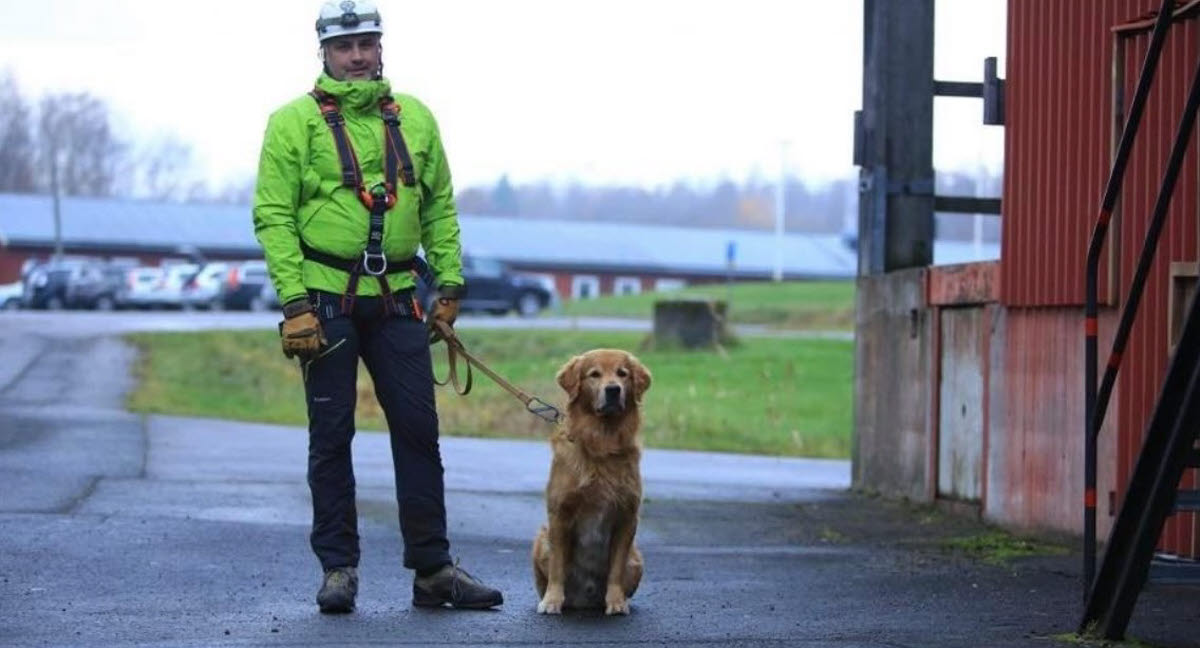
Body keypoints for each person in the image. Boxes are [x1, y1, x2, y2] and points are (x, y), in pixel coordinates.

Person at [252, 0, 503, 613]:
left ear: (380, 47)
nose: (357, 55)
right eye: (345, 47)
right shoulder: (292, 122)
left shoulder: (416, 118)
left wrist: (449, 284)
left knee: (420, 431)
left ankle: (434, 571)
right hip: (324, 303)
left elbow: (440, 204)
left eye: (366, 43)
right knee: (331, 435)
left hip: (397, 300)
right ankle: (339, 570)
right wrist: (293, 300)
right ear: (325, 54)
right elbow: (273, 216)